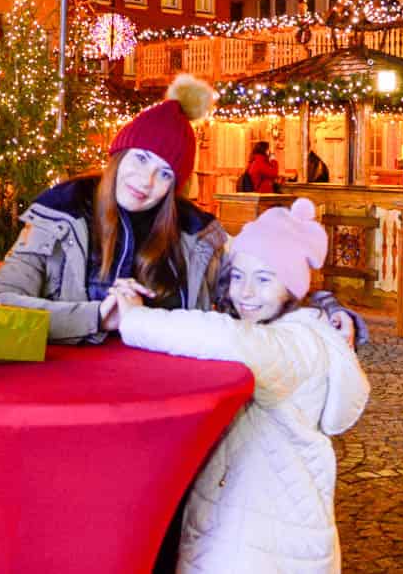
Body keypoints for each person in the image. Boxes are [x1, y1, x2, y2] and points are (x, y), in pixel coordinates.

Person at [0, 75, 361, 345]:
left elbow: (261, 284)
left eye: (164, 172)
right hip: (67, 394)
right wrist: (97, 316)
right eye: (141, 159)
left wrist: (328, 311)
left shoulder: (196, 235)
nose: (146, 181)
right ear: (119, 154)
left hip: (168, 394)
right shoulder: (60, 216)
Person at [113, 199, 371, 574]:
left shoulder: (294, 344)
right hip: (251, 516)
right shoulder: (280, 329)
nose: (246, 292)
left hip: (262, 537)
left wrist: (134, 318)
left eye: (264, 279)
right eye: (238, 276)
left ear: (294, 286)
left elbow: (230, 339)